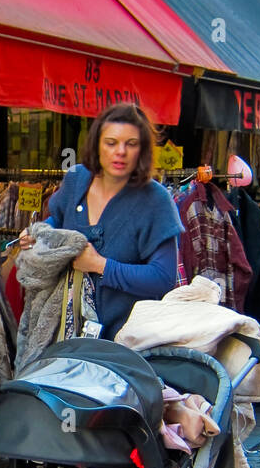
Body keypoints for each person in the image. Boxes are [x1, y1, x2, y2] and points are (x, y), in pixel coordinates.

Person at [18, 102, 182, 340]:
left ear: (143, 149)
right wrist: (40, 235)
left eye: (131, 144)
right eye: (111, 142)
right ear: (97, 144)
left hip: (127, 342)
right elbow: (59, 219)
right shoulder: (76, 180)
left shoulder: (156, 200)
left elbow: (163, 278)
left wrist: (100, 265)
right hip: (64, 335)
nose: (121, 152)